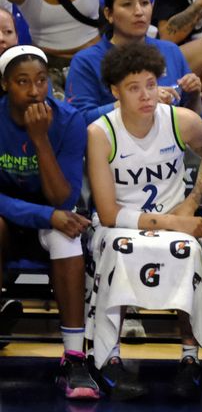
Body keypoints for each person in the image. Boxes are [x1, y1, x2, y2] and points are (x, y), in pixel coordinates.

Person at [85, 41, 202, 401]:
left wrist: (192, 202)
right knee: (119, 249)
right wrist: (173, 222)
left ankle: (191, 355)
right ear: (115, 91)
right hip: (120, 227)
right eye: (134, 88)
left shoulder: (182, 120)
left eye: (151, 83)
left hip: (172, 222)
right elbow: (109, 214)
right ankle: (110, 357)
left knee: (187, 251)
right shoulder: (101, 133)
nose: (146, 95)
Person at [0, 45, 100, 399]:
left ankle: (74, 359)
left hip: (53, 220)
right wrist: (46, 214)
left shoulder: (69, 120)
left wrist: (40, 139)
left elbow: (64, 200)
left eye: (41, 81)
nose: (34, 91)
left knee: (66, 237)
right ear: (5, 84)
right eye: (22, 82)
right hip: (11, 222)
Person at [66, 0, 200, 122]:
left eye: (144, 3)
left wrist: (194, 95)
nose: (138, 11)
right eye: (127, 4)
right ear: (108, 14)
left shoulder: (170, 50)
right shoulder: (86, 61)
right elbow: (78, 121)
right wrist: (134, 102)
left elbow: (196, 116)